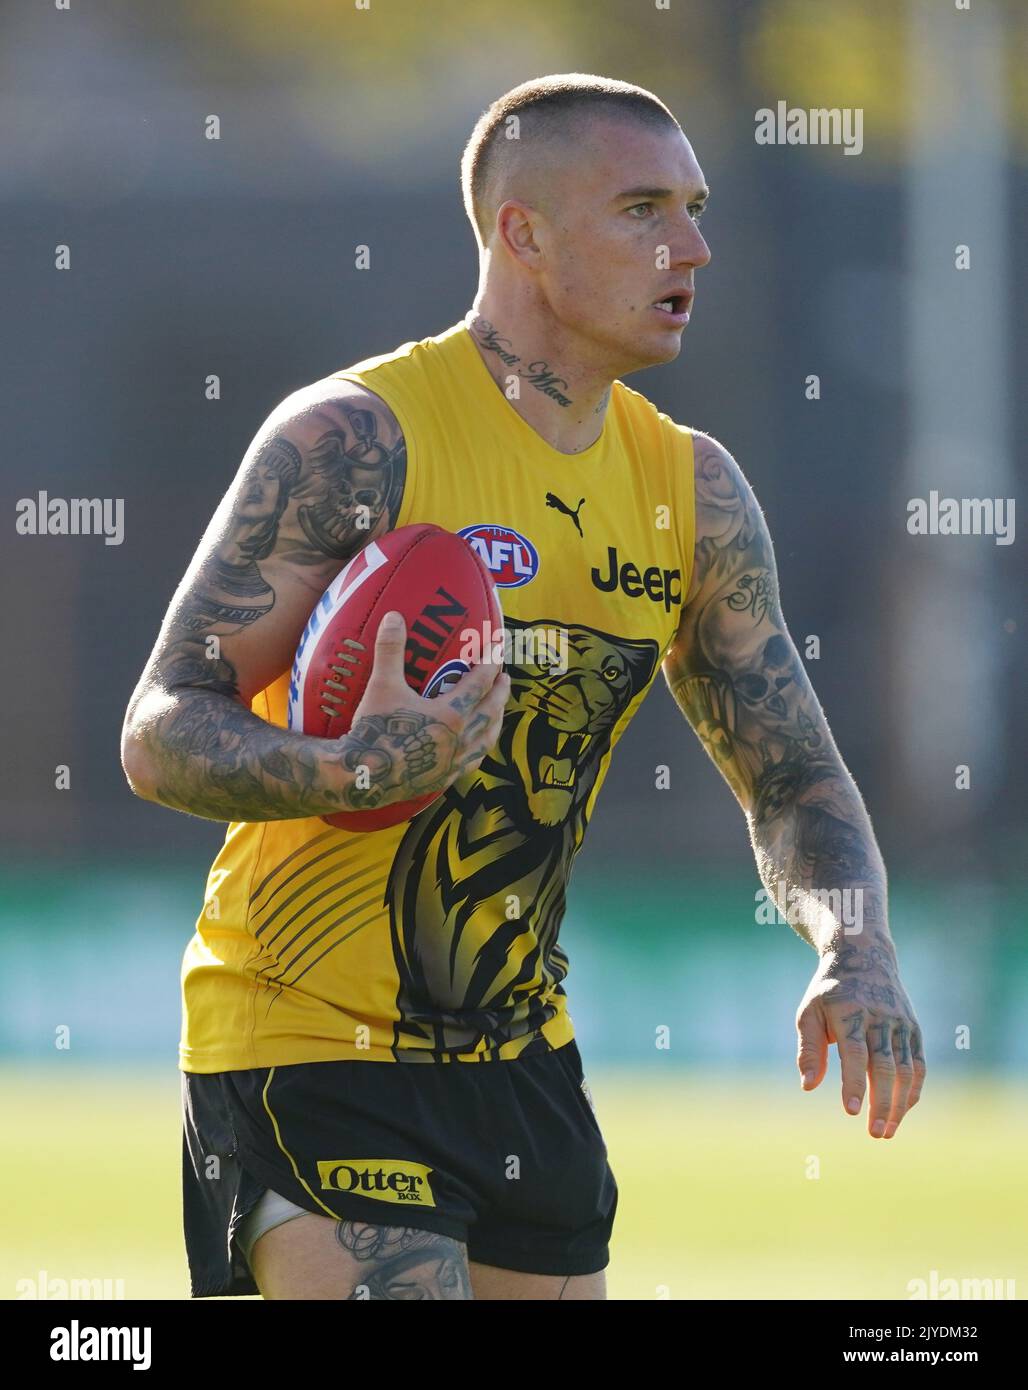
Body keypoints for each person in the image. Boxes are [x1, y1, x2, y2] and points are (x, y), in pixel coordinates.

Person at [121, 73, 925, 1302]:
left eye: (697, 208)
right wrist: (351, 771)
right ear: (523, 233)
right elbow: (159, 724)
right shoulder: (356, 440)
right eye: (643, 208)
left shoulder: (690, 495)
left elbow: (792, 773)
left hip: (521, 1061)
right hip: (304, 1043)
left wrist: (854, 948)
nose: (693, 246)